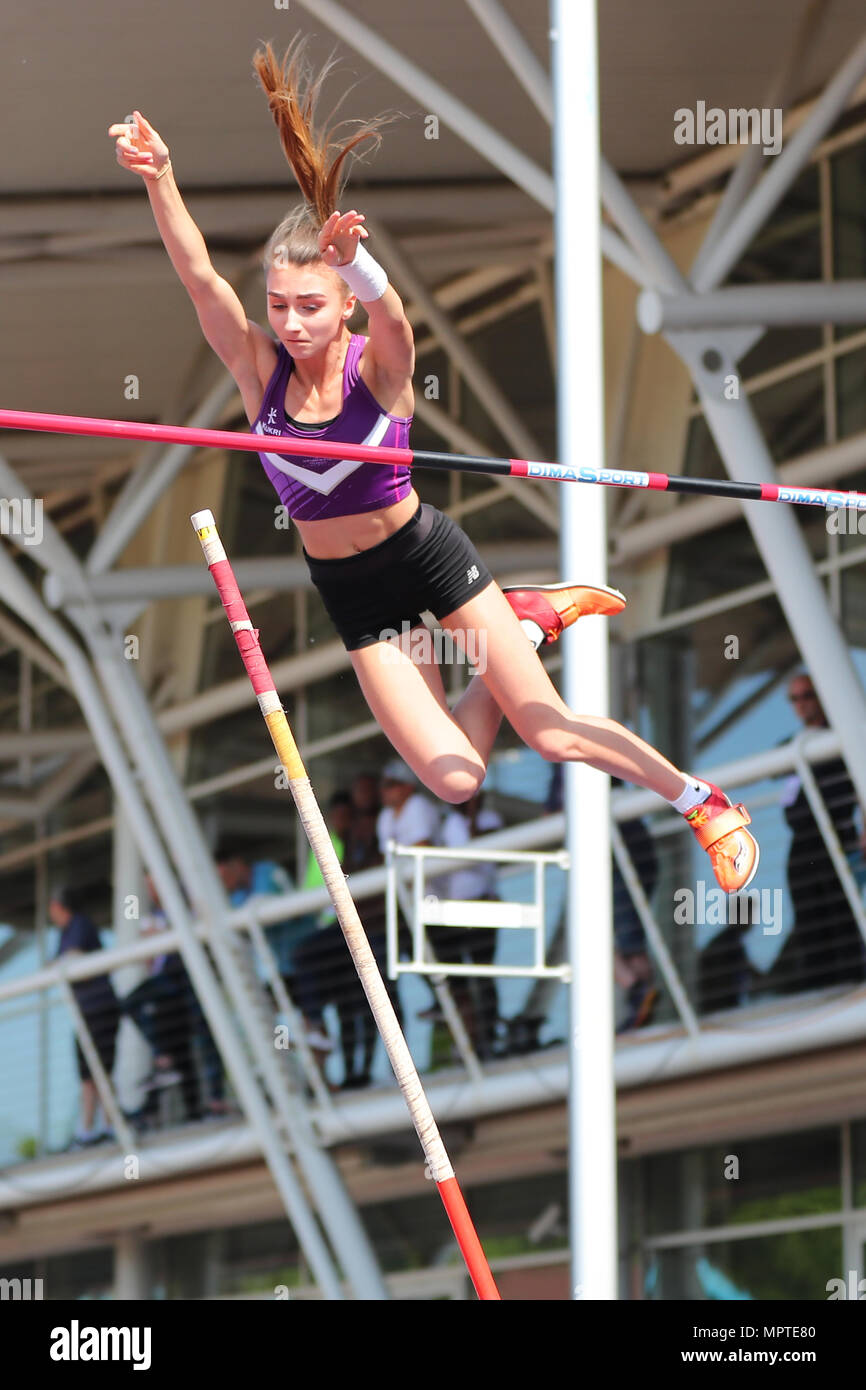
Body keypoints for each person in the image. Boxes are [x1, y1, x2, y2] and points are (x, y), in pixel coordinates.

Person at [108, 38, 758, 901]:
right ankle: (523, 627)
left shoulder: (377, 370)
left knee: (550, 732)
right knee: (455, 779)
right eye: (278, 307)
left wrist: (360, 267)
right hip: (356, 596)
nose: (292, 324)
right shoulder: (255, 371)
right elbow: (197, 278)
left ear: (342, 305)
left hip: (427, 560)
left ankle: (701, 799)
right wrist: (160, 180)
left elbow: (396, 319)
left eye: (311, 306)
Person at [771, 673, 866, 994]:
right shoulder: (796, 744)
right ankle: (821, 990)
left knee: (839, 911)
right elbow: (773, 767)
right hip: (802, 845)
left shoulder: (843, 735)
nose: (800, 705)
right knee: (809, 915)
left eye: (806, 696)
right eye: (794, 699)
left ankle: (849, 985)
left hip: (836, 838)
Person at [119, 876, 202, 1126]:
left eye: (153, 883)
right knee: (176, 1049)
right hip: (166, 990)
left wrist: (160, 934)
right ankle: (186, 1109)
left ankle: (189, 1106)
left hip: (184, 984)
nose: (150, 890)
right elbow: (147, 951)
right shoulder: (156, 914)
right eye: (148, 885)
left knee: (179, 1048)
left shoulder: (184, 905)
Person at [431, 791, 504, 1058]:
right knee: (459, 977)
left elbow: (480, 847)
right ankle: (470, 1038)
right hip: (455, 910)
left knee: (483, 973)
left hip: (483, 904)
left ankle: (489, 1035)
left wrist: (472, 813)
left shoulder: (489, 818)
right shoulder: (449, 823)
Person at [50, 886, 120, 1149]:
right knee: (87, 1074)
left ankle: (111, 1127)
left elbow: (77, 962)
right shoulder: (66, 933)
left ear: (58, 906)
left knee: (102, 1070)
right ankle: (87, 1132)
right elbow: (57, 962)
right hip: (85, 1013)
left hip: (100, 1008)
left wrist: (64, 961)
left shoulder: (80, 924)